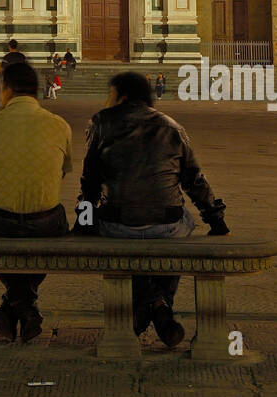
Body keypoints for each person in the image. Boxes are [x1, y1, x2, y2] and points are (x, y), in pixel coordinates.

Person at [75, 71, 229, 349]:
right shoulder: (172, 126)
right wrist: (217, 221)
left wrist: (83, 221)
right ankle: (160, 303)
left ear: (120, 95)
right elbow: (194, 180)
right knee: (181, 223)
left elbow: (90, 182)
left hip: (118, 224)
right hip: (166, 224)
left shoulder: (101, 122)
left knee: (126, 236)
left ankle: (146, 306)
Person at [0, 60, 72, 343]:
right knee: (54, 217)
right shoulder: (60, 125)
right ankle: (24, 304)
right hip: (45, 223)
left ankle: (15, 304)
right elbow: (61, 173)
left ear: (6, 89)